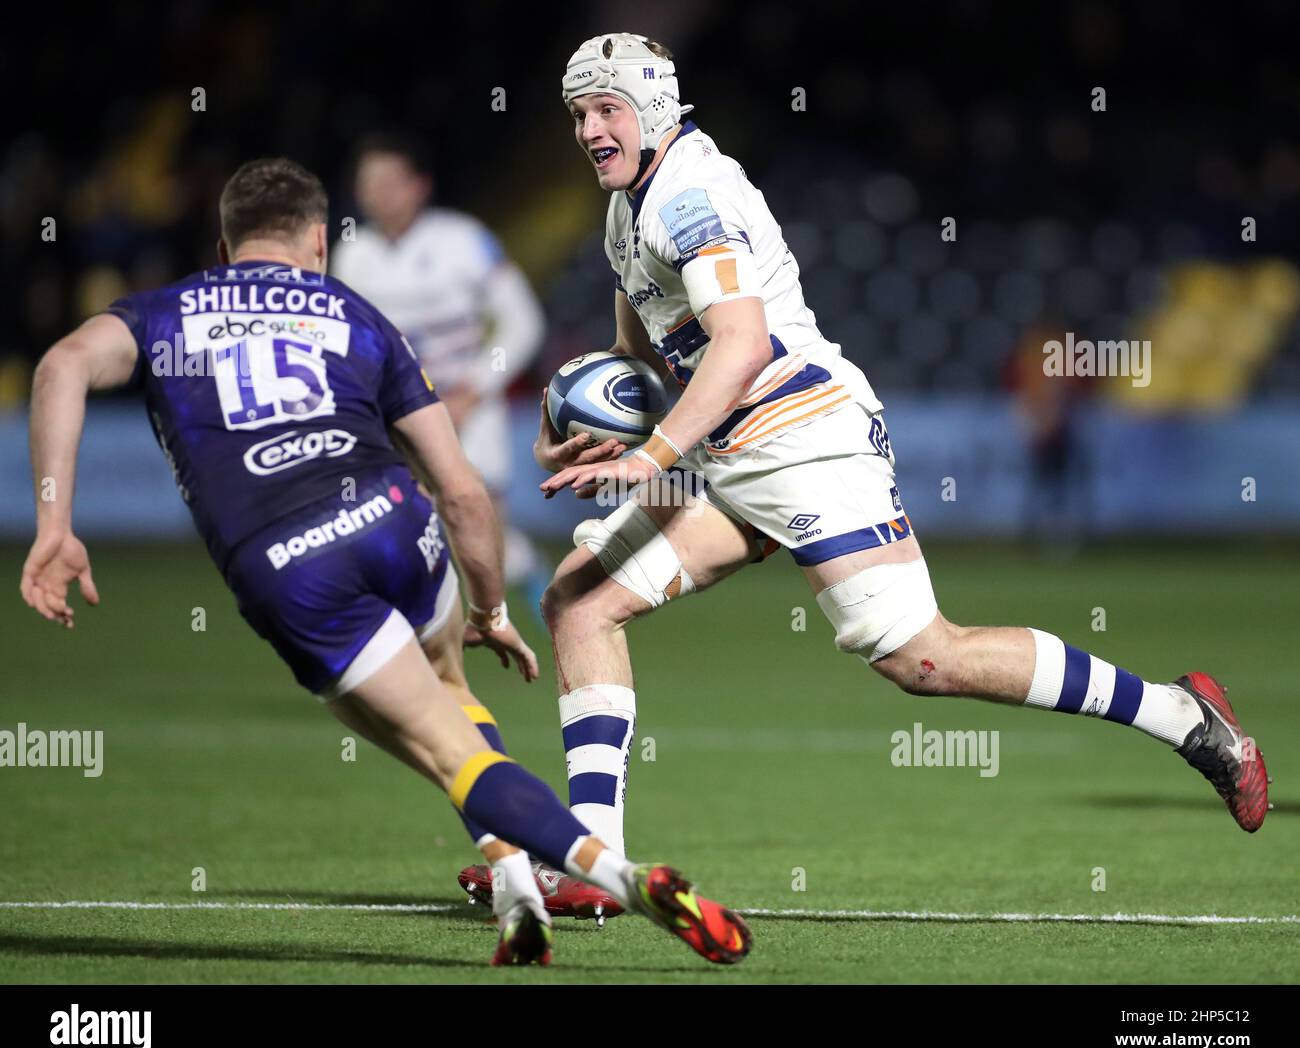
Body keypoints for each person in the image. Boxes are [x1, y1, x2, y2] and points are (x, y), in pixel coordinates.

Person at [460, 32, 1270, 915]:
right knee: (580, 600)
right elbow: (638, 362)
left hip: (806, 440)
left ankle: (1186, 717)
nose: (588, 129)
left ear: (652, 108)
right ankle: (597, 863)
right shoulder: (627, 207)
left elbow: (742, 344)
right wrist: (573, 429)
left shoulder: (690, 194)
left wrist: (651, 456)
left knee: (926, 659)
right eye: (578, 112)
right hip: (727, 452)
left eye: (606, 108)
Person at [19, 156, 751, 967]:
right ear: (319, 245)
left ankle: (621, 876)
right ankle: (515, 896)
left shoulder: (163, 313)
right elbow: (466, 496)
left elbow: (60, 368)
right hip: (398, 522)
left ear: (223, 253)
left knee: (446, 750)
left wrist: (55, 521)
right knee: (451, 698)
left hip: (292, 565)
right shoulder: (354, 313)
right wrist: (489, 613)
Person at [330, 134, 551, 607]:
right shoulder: (351, 254)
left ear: (420, 186)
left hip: (466, 405)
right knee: (405, 526)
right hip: (392, 413)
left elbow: (523, 321)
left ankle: (532, 600)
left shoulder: (465, 240)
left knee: (479, 518)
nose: (380, 193)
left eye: (392, 181)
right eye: (370, 183)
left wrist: (475, 389)